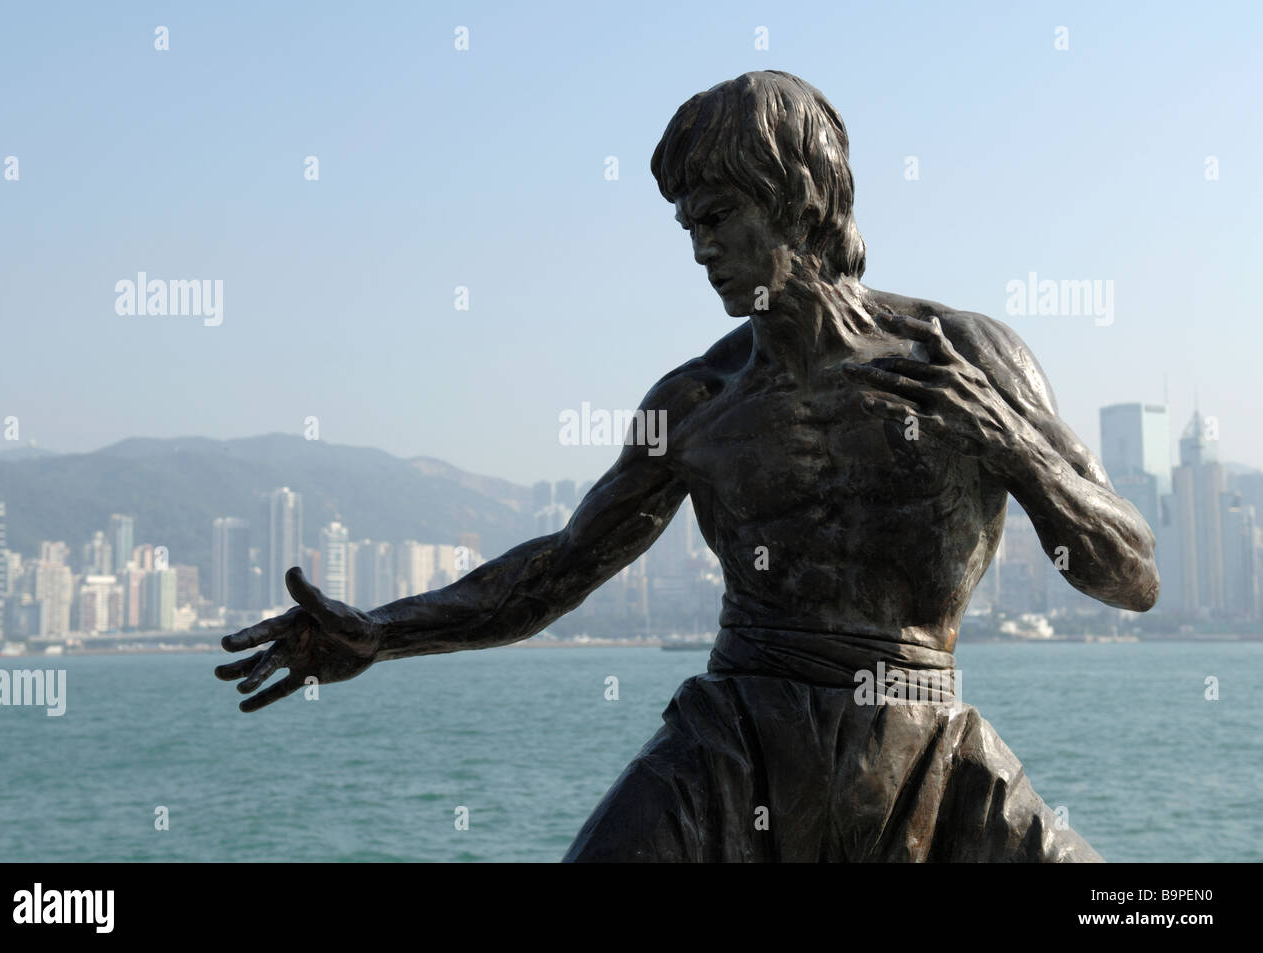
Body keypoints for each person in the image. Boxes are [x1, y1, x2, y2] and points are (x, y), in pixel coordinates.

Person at [216, 71, 1157, 862]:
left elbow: (1132, 576)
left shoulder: (968, 357)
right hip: (732, 747)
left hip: (932, 752)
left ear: (795, 200)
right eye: (687, 225)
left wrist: (1015, 444)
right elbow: (558, 569)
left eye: (717, 215)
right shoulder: (696, 403)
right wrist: (381, 633)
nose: (700, 247)